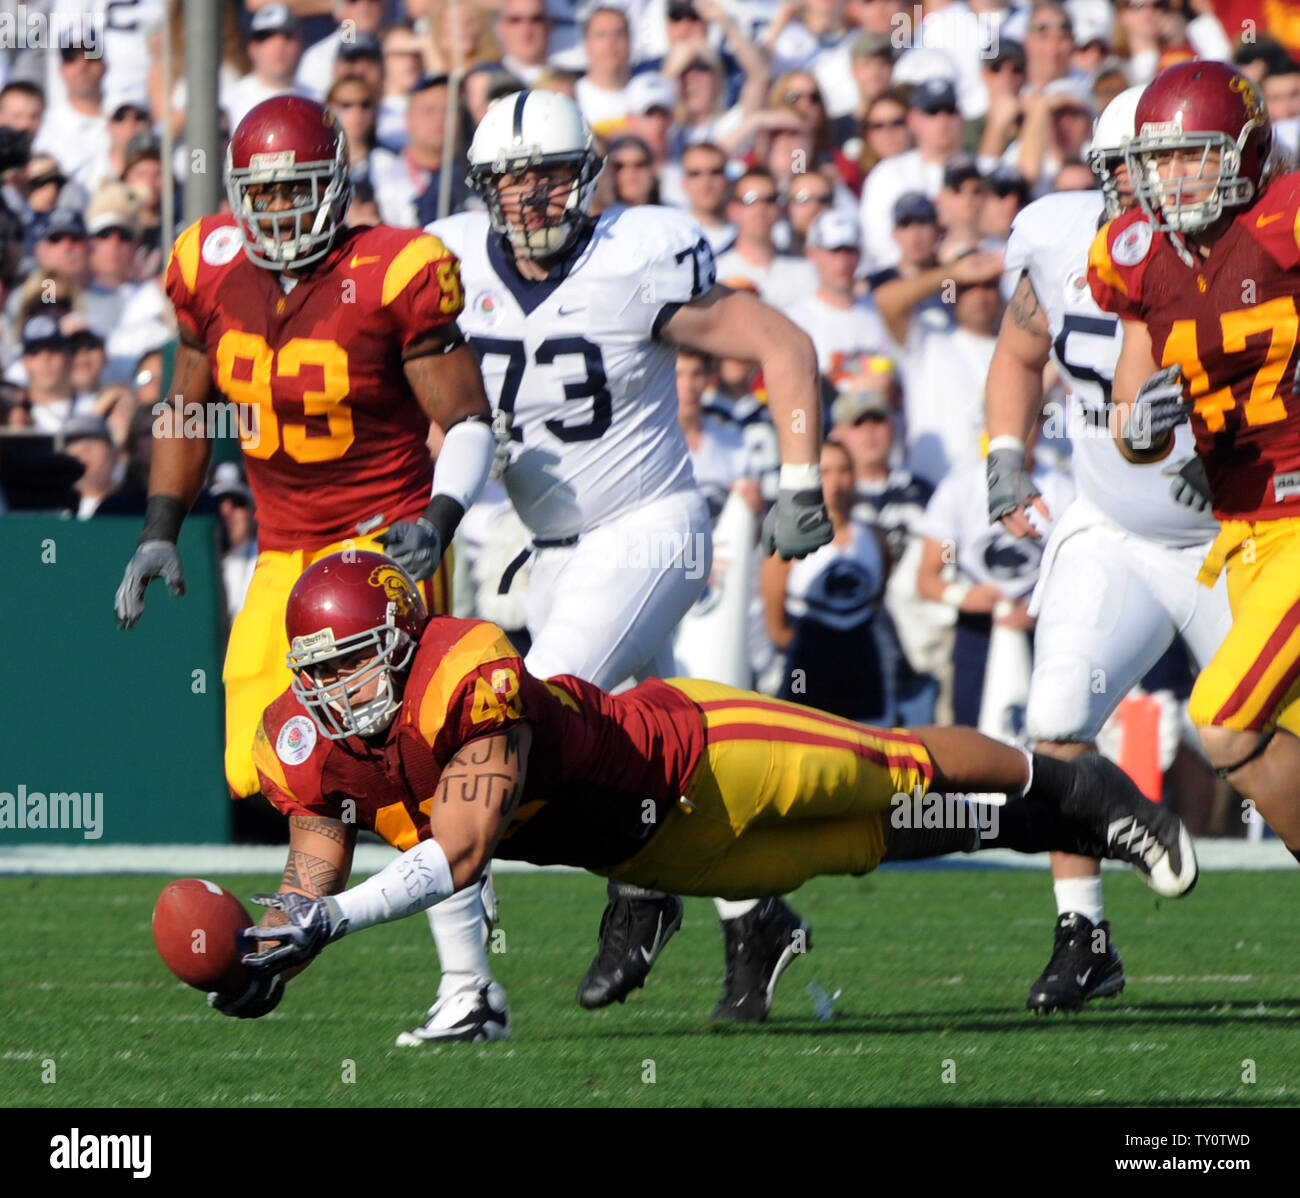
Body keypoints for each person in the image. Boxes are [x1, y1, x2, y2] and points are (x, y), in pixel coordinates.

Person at [220, 549, 1198, 1021]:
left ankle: (1076, 780)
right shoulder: (313, 739)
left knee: (888, 765)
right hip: (659, 851)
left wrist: (331, 921)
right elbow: (311, 867)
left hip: (701, 752)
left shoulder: (464, 667)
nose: (331, 689)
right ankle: (1071, 830)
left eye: (350, 663)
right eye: (316, 671)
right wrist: (270, 954)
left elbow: (466, 846)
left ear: (398, 641)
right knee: (875, 839)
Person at [425, 89, 832, 1038]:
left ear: (587, 178)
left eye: (550, 176)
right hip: (550, 548)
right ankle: (756, 912)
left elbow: (784, 343)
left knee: (535, 712)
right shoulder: (445, 265)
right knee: (671, 746)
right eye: (512, 180)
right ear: (484, 189)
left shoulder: (634, 259)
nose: (531, 198)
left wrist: (801, 479)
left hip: (652, 527)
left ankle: (642, 894)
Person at [113, 96, 494, 871]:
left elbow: (468, 420)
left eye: (298, 188)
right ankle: (319, 901)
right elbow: (187, 408)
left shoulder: (395, 268)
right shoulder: (208, 266)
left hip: (384, 537)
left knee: (399, 754)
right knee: (259, 754)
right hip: (283, 544)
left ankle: (456, 964)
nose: (281, 210)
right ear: (235, 192)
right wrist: (159, 530)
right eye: (265, 192)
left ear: (338, 183)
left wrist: (440, 519)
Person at [986, 85, 1230, 1015]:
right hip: (1113, 528)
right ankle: (1082, 933)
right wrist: (1005, 455)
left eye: (1170, 161)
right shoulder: (1056, 237)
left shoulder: (1250, 249)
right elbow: (1019, 351)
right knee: (1056, 719)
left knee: (1263, 740)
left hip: (1233, 538)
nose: (1153, 184)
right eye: (1134, 167)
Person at [1088, 60, 1300, 869]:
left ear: (1245, 154)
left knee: (1221, 720)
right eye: (1161, 160)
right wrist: (1142, 427)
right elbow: (1130, 415)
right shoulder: (1135, 256)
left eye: (1194, 155)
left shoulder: (1286, 218)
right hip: (1243, 532)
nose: (1174, 178)